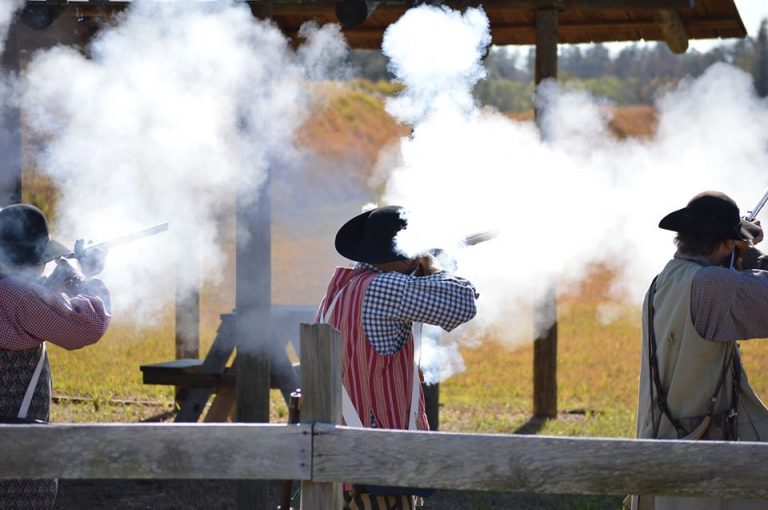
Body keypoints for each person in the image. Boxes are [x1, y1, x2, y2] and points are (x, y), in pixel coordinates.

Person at [317, 205, 478, 510]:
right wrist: (437, 269)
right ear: (407, 252)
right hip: (377, 465)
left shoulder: (343, 286)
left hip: (341, 457)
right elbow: (464, 303)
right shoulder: (385, 287)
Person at [632, 191, 768, 510]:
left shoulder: (664, 278)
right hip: (700, 454)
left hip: (664, 444)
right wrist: (750, 252)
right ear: (723, 244)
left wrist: (741, 248)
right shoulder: (711, 286)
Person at [0, 204, 111, 509]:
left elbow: (29, 313)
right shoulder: (19, 296)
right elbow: (88, 325)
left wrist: (53, 283)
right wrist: (81, 278)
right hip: (15, 461)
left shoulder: (17, 295)